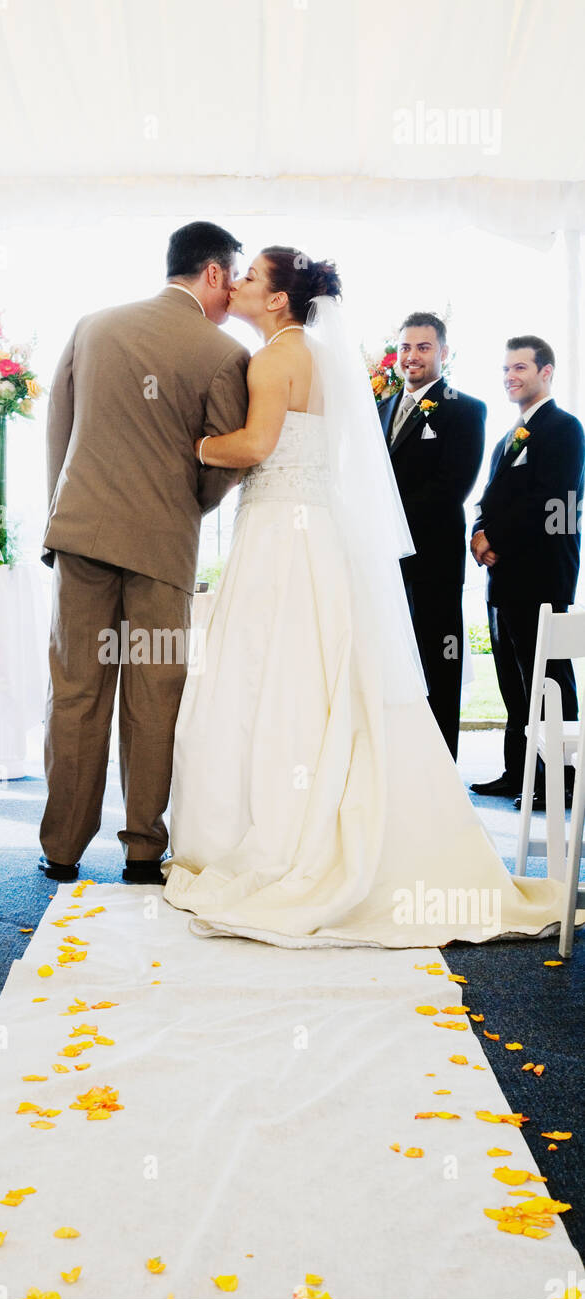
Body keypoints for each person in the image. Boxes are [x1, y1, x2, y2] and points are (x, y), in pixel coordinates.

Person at [161, 248, 577, 948]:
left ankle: (279, 835)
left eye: (253, 278)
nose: (239, 285)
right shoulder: (327, 360)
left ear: (281, 299)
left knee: (273, 672)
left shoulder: (273, 359)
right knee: (325, 673)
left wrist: (194, 444)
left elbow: (258, 443)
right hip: (317, 533)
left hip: (277, 534)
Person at [39, 221, 250, 885]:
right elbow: (222, 459)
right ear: (212, 273)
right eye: (232, 278)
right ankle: (140, 850)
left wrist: (64, 512)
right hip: (163, 548)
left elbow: (60, 425)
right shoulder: (223, 353)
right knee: (154, 696)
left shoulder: (94, 326)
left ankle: (63, 848)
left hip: (82, 536)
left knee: (75, 690)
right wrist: (185, 507)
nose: (233, 294)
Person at [470, 336, 584, 809]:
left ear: (546, 372)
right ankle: (519, 772)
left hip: (539, 574)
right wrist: (477, 530)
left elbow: (551, 499)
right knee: (513, 681)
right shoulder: (508, 436)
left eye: (520, 367)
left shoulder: (563, 429)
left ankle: (563, 781)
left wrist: (495, 537)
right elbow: (490, 495)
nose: (510, 377)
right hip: (503, 580)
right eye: (505, 369)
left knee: (548, 679)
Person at [378, 314, 485, 760]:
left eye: (423, 347)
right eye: (405, 347)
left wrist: (386, 522)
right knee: (389, 659)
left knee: (437, 660)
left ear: (443, 352)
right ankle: (397, 760)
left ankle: (440, 764)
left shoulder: (465, 409)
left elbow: (451, 487)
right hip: (381, 562)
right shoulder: (379, 408)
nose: (412, 356)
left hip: (432, 558)